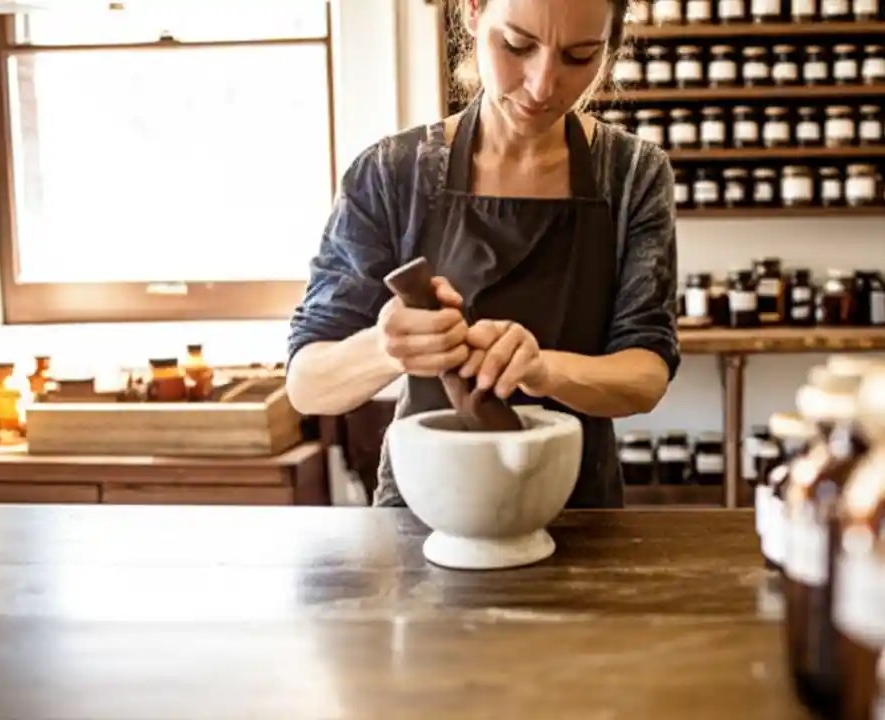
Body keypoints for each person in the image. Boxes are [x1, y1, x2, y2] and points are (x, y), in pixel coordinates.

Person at [285, 0, 679, 508]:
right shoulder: (393, 174)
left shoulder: (632, 177)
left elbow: (644, 375)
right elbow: (308, 385)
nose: (542, 86)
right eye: (516, 45)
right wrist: (385, 347)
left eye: (580, 56)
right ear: (473, 11)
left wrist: (543, 368)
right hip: (422, 513)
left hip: (577, 514)